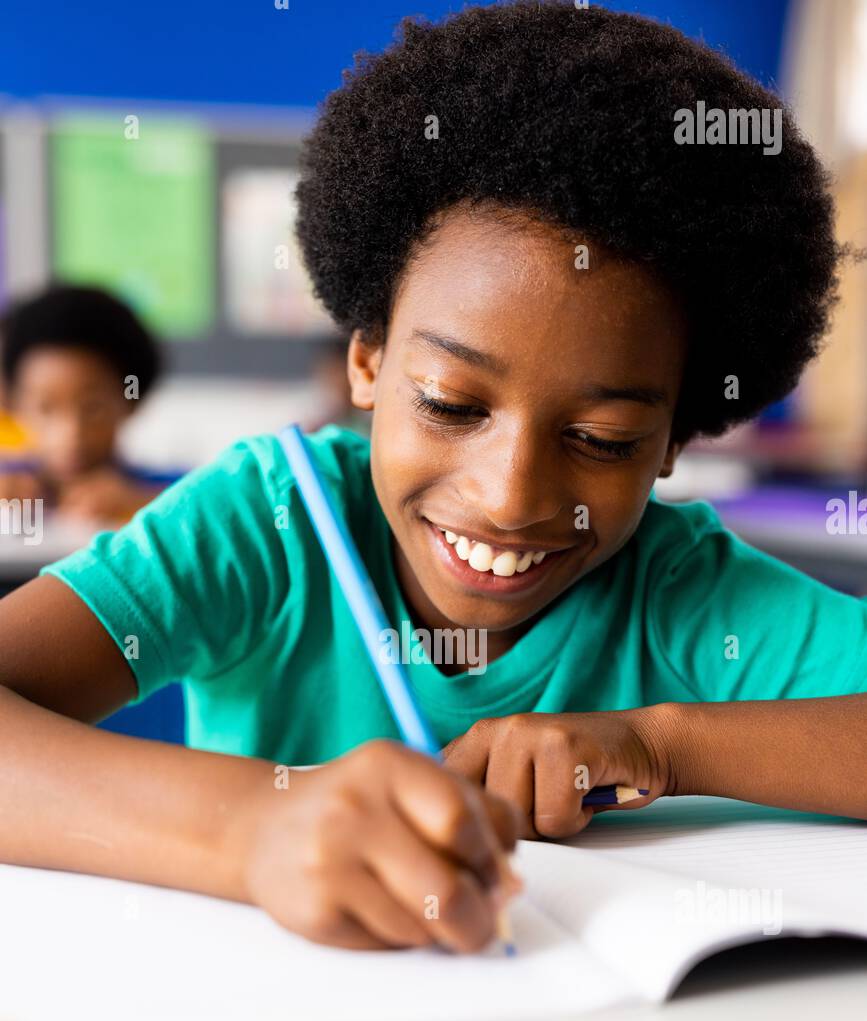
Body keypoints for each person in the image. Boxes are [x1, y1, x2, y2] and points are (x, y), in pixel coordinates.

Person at [0, 3, 865, 954]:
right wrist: (248, 829)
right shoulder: (271, 519)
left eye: (604, 437)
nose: (510, 497)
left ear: (673, 438)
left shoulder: (684, 595)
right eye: (452, 405)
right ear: (367, 362)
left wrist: (664, 746)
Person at [0, 284, 164, 520]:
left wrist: (139, 503)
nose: (71, 434)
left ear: (132, 398)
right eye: (45, 408)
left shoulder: (172, 493)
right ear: (13, 403)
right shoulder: (7, 483)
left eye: (93, 407)